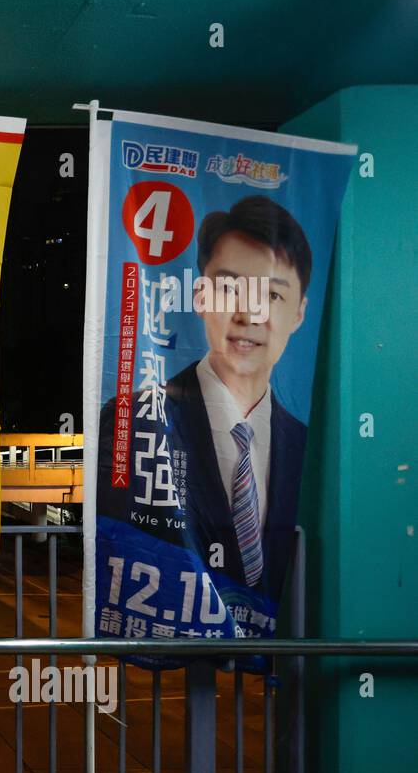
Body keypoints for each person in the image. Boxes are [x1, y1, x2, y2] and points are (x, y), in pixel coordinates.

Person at [98, 195, 312, 598]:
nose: (248, 315)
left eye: (271, 295)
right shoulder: (137, 417)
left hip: (267, 641)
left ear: (298, 313)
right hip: (174, 639)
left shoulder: (303, 442)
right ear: (200, 296)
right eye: (230, 288)